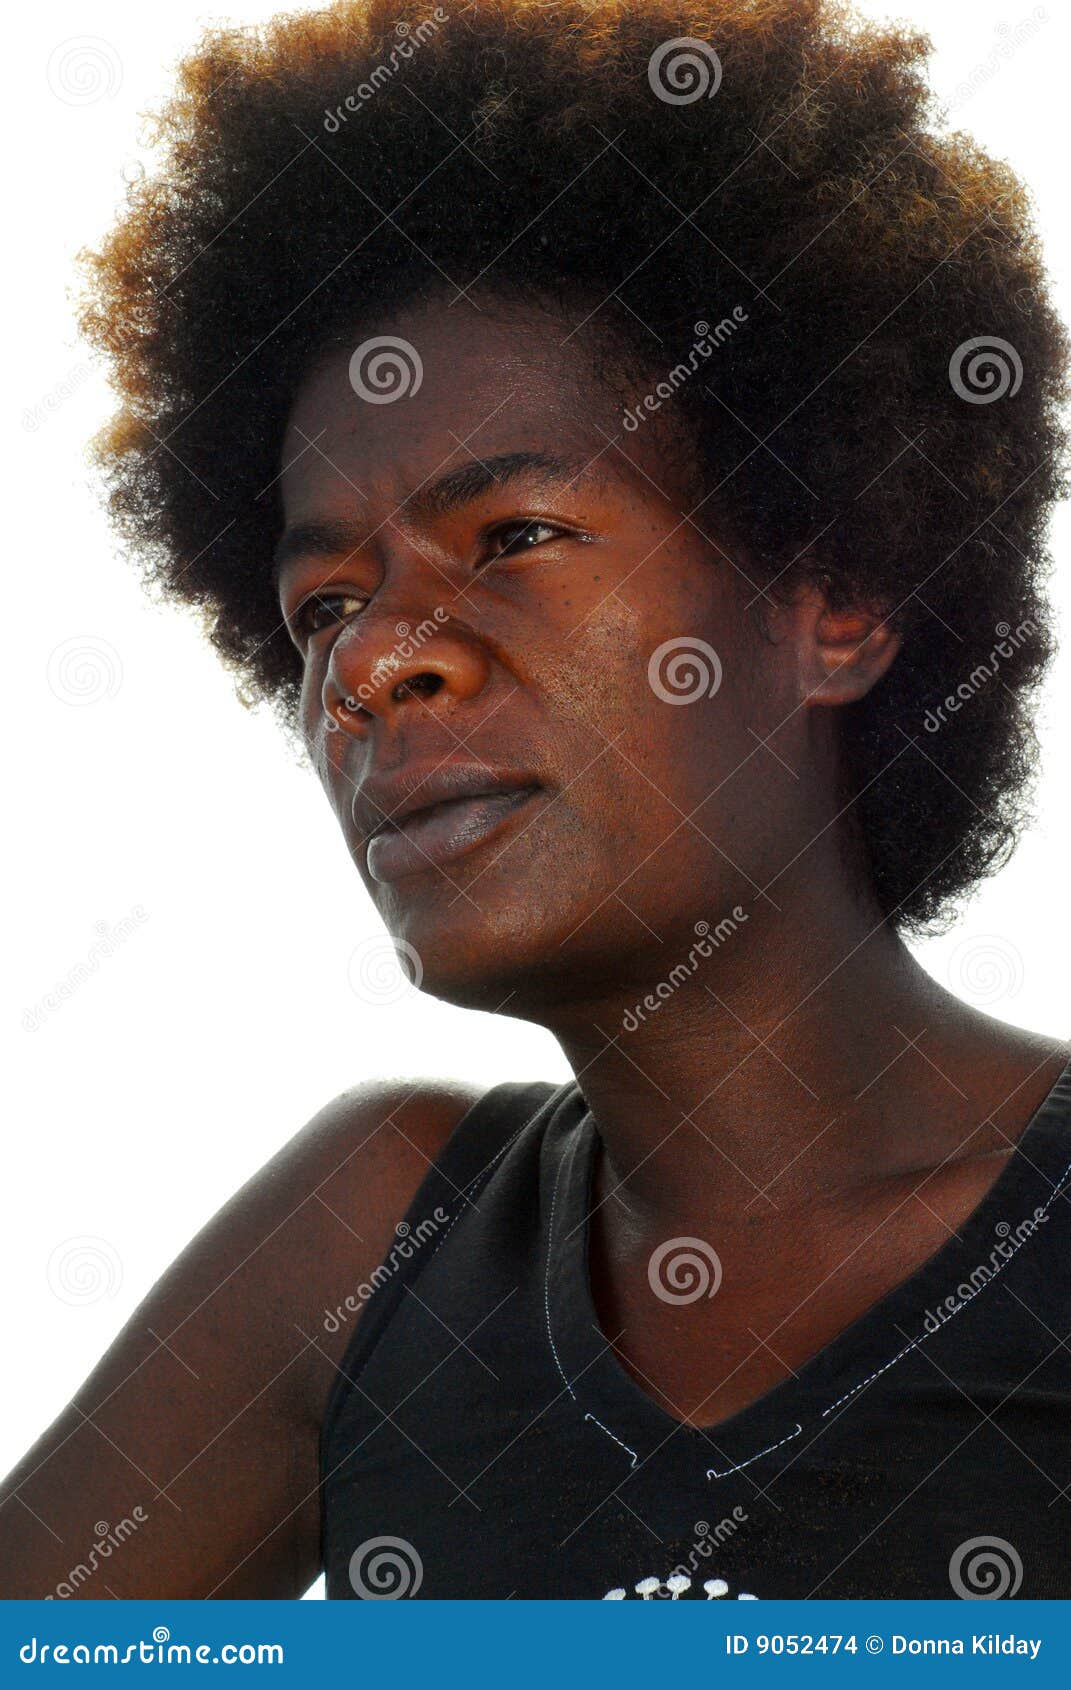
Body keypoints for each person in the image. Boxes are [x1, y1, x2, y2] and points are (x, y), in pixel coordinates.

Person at [2, 0, 1069, 1600]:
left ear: (831, 598)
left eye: (511, 538)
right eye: (321, 610)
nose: (373, 667)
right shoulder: (373, 1243)